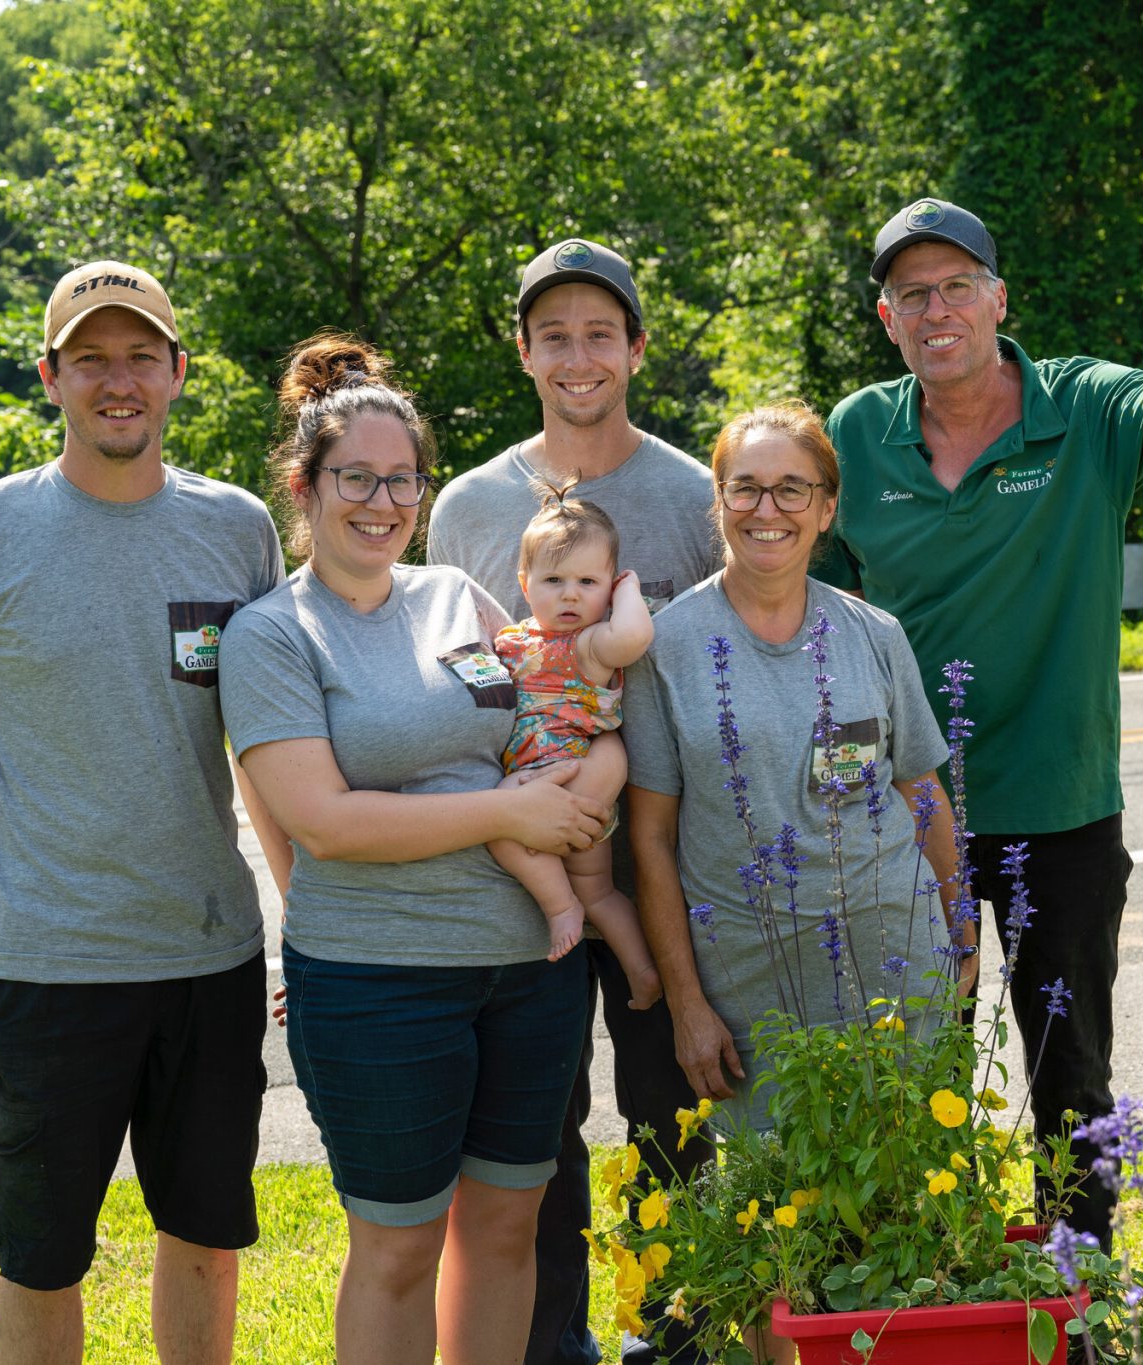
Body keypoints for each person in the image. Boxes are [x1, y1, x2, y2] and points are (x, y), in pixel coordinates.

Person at [0, 260, 284, 1363]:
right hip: (43, 966)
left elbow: (268, 742)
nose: (120, 381)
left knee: (205, 1239)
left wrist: (308, 914)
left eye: (141, 357)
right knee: (43, 1258)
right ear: (51, 376)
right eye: (93, 359)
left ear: (177, 374)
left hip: (210, 959)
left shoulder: (238, 530)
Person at [220, 333, 609, 1365]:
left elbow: (548, 711)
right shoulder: (271, 634)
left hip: (528, 972)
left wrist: (581, 784)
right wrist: (504, 816)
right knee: (396, 1251)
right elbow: (326, 818)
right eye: (356, 477)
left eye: (402, 479)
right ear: (305, 486)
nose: (381, 501)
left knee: (505, 1230)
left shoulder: (453, 598)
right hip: (377, 981)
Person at [817, 186, 1143, 1248]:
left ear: (996, 297)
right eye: (909, 294)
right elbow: (819, 624)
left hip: (1057, 809)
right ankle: (925, 1288)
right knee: (912, 1072)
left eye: (955, 287)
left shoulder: (1093, 411)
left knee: (1068, 1070)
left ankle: (1082, 1291)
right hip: (900, 815)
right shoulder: (857, 434)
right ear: (886, 320)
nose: (935, 311)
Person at [427, 237, 719, 1365]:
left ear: (637, 348)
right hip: (518, 856)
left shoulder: (692, 494)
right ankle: (551, 1342)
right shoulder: (464, 506)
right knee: (533, 1130)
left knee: (668, 1116)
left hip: (659, 855)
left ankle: (675, 1331)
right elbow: (447, 669)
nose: (578, 355)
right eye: (554, 334)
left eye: (601, 332)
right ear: (523, 352)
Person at [626, 402, 973, 1130]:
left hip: (895, 961)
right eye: (744, 487)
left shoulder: (874, 634)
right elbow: (652, 841)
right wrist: (687, 1004)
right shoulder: (666, 648)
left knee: (909, 1205)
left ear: (827, 508)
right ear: (717, 501)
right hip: (753, 982)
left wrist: (961, 927)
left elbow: (921, 788)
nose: (767, 509)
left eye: (793, 488)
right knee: (781, 1210)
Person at [485, 479, 659, 1006]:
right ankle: (642, 974)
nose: (570, 594)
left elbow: (633, 638)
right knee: (599, 891)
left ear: (609, 587)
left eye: (589, 580)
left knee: (506, 838)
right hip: (535, 785)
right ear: (525, 582)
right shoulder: (514, 640)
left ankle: (564, 910)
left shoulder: (589, 645)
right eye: (554, 579)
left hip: (581, 783)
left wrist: (627, 591)